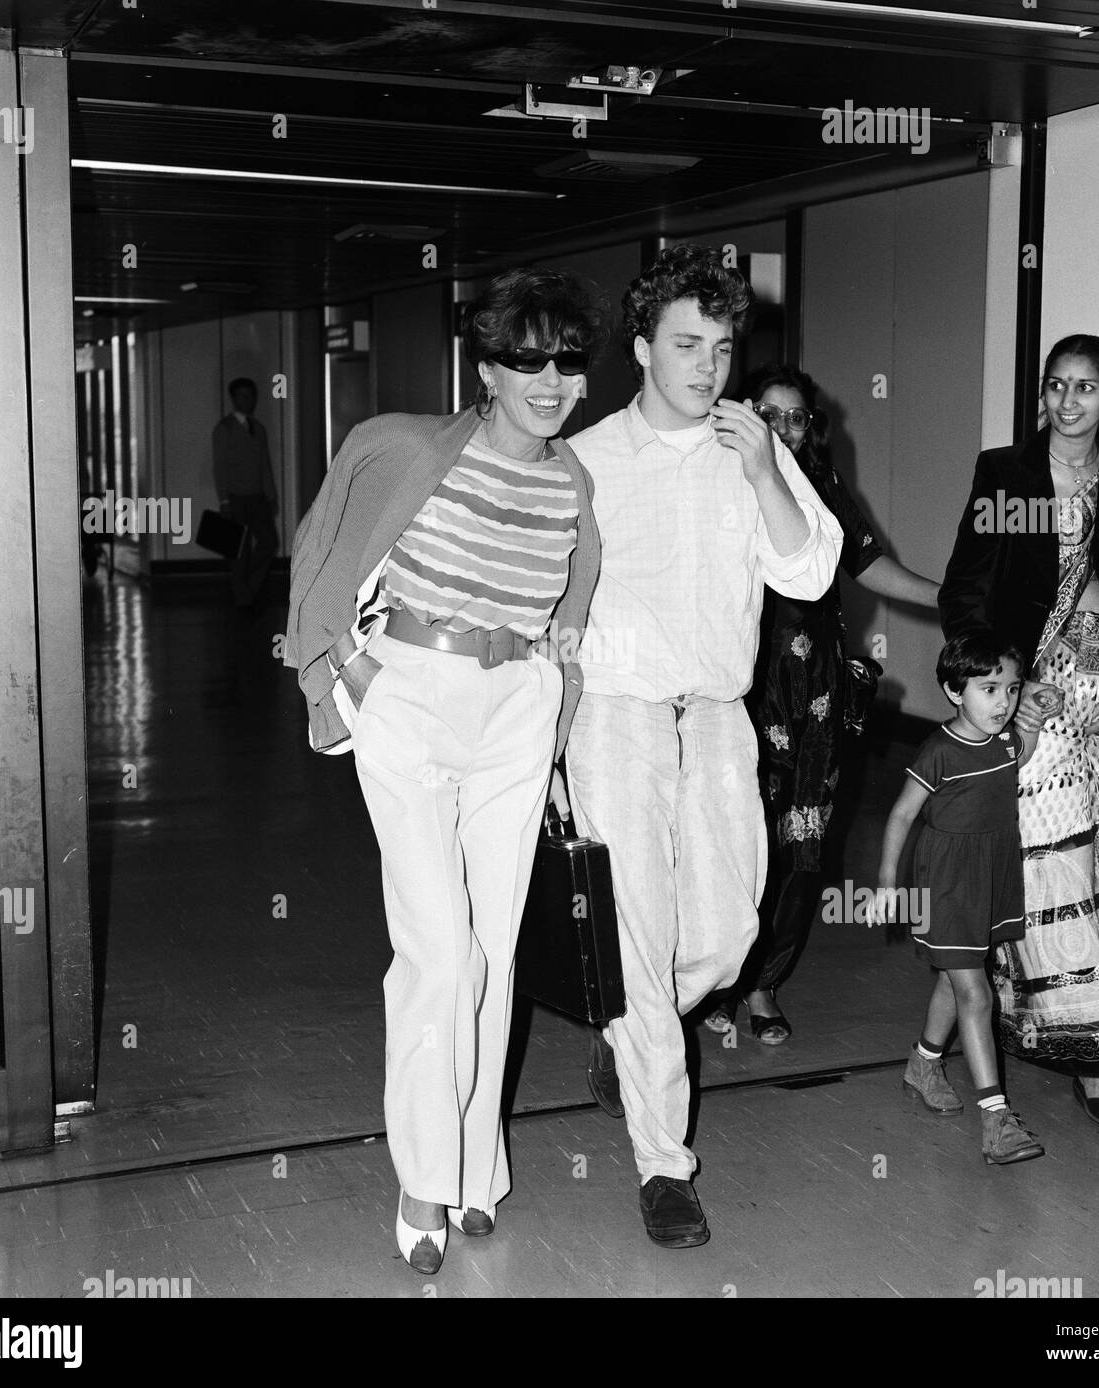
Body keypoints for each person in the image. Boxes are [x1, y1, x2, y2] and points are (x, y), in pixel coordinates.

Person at [283, 268, 604, 1274]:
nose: (549, 380)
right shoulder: (412, 446)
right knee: (435, 948)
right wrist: (350, 669)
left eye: (566, 360)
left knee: (494, 948)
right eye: (527, 359)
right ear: (489, 368)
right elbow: (322, 547)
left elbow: (573, 613)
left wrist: (557, 720)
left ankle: (476, 1165)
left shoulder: (571, 482)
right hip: (414, 695)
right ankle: (424, 1176)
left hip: (516, 709)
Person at [562, 245, 843, 1248]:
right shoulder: (587, 458)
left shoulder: (752, 448)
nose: (706, 367)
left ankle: (627, 1028)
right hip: (618, 718)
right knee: (637, 933)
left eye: (722, 348)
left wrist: (767, 466)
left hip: (720, 721)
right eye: (685, 345)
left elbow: (808, 571)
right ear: (640, 348)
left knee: (723, 938)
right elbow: (553, 603)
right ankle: (663, 1166)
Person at [940, 333, 1099, 1133]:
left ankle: (1058, 1034)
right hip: (1033, 691)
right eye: (1056, 386)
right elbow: (965, 593)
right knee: (1052, 859)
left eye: (1086, 387)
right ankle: (1094, 1052)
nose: (1068, 401)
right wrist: (1011, 689)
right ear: (1042, 394)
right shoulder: (1006, 475)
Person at [703, 363, 940, 1045]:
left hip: (814, 694)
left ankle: (764, 985)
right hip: (738, 685)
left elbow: (868, 564)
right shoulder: (715, 477)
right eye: (767, 414)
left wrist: (952, 598)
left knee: (803, 842)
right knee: (732, 839)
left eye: (796, 417)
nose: (781, 429)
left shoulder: (819, 485)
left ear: (812, 428)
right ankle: (719, 978)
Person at [877, 633, 1049, 1165]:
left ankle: (924, 1063)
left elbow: (1018, 754)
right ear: (955, 691)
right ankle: (996, 1118)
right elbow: (903, 814)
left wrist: (1035, 719)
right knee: (975, 992)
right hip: (947, 881)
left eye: (1012, 689)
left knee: (961, 976)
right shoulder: (939, 751)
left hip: (992, 874)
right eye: (989, 688)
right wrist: (886, 884)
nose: (1003, 702)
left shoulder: (1002, 739)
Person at [213, 377, 279, 609]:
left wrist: (271, 496)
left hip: (258, 497)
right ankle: (243, 598)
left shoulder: (258, 429)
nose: (248, 400)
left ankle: (247, 587)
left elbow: (265, 465)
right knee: (239, 551)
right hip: (235, 498)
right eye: (242, 396)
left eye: (251, 396)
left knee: (269, 543)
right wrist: (223, 500)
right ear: (233, 398)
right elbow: (219, 467)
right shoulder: (224, 429)